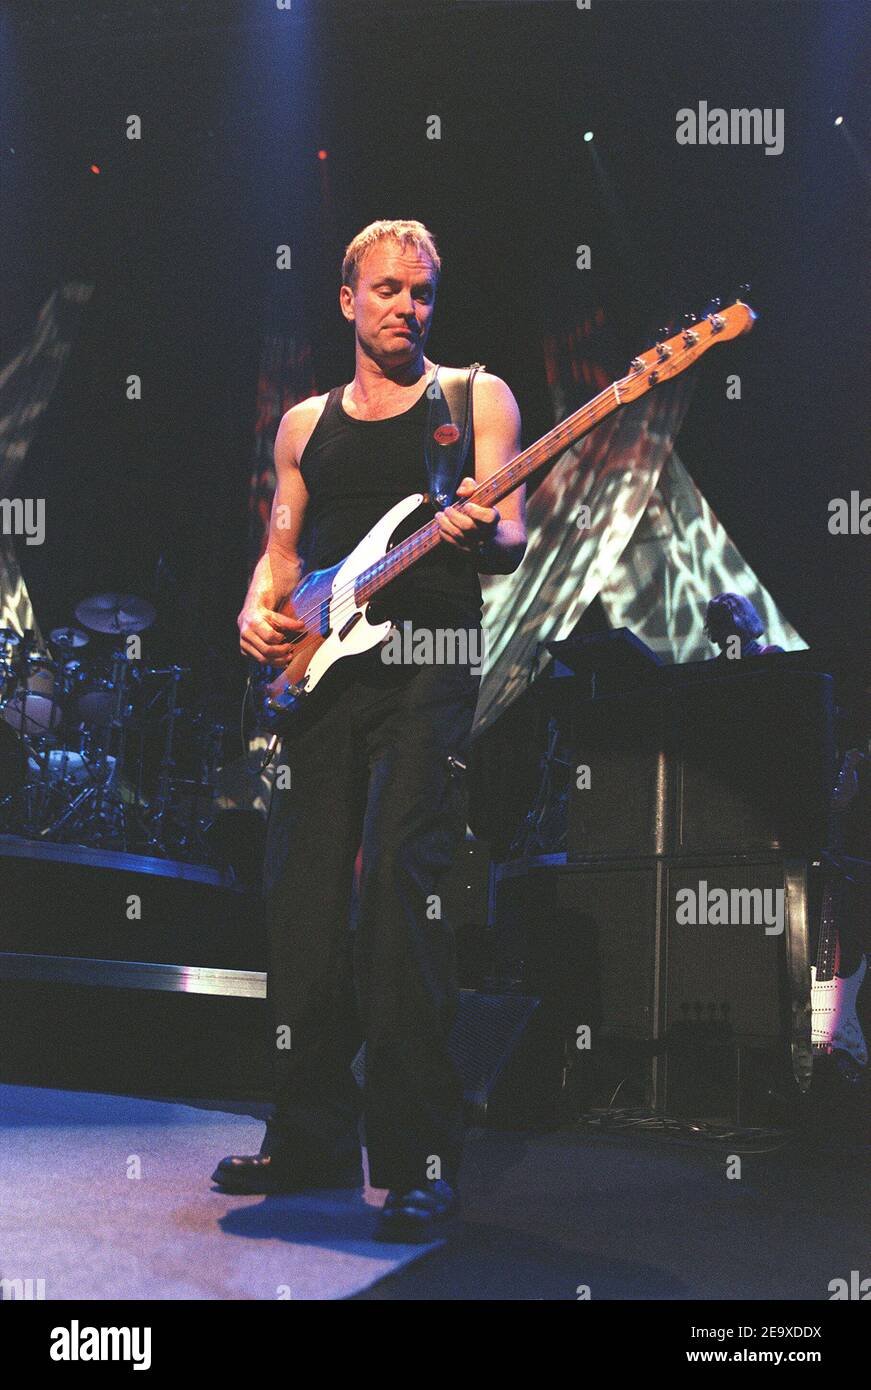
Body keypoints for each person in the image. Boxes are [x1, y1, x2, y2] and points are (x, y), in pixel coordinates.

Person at [212, 219, 526, 1240]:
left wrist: (487, 530)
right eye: (388, 290)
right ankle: (307, 1131)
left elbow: (511, 536)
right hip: (323, 679)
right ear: (346, 298)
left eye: (423, 293)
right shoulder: (304, 424)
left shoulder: (475, 399)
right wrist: (259, 612)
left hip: (428, 673)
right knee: (300, 901)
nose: (407, 307)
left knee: (401, 889)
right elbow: (279, 550)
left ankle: (419, 1159)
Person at [704, 592, 784, 659]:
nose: (723, 631)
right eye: (718, 624)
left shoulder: (772, 653)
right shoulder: (773, 652)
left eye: (726, 624)